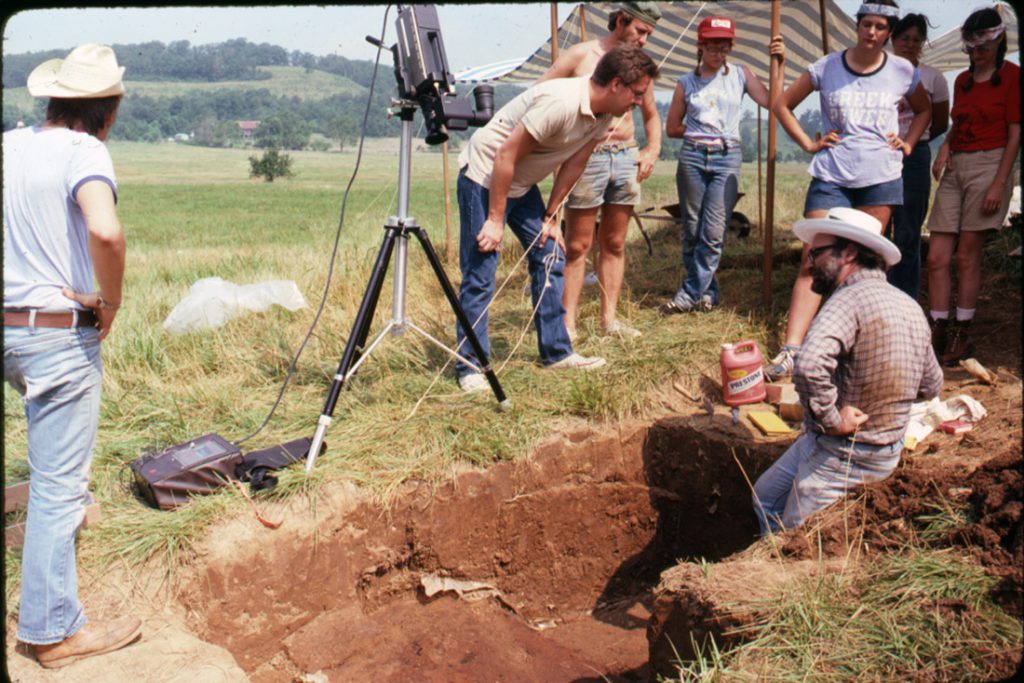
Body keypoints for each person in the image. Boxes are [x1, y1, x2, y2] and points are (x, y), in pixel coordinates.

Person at [4, 44, 142, 667]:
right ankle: (51, 631)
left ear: (54, 98)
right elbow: (106, 230)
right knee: (60, 484)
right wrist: (107, 304)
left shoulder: (9, 144)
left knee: (53, 471)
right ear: (107, 111)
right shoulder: (86, 152)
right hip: (57, 331)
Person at [454, 45, 660, 392]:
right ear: (615, 85)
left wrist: (551, 216)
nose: (640, 102)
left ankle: (556, 352)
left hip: (521, 183)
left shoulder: (606, 114)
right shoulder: (561, 103)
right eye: (637, 94)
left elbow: (574, 162)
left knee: (551, 252)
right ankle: (471, 367)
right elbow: (505, 154)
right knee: (482, 268)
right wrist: (494, 218)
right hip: (486, 177)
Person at [751, 208, 944, 534]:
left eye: (817, 253)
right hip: (879, 450)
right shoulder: (909, 305)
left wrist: (832, 419)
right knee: (765, 497)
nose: (810, 263)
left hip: (844, 453)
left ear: (849, 253)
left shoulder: (845, 301)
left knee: (797, 540)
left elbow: (809, 367)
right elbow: (931, 385)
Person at [766, 0, 931, 380]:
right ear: (857, 26)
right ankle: (792, 349)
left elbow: (924, 110)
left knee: (867, 265)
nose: (872, 33)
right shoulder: (827, 66)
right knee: (816, 257)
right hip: (832, 175)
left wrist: (908, 142)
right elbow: (782, 104)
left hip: (881, 179)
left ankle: (859, 348)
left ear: (888, 32)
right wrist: (809, 143)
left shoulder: (903, 71)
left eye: (880, 27)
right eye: (867, 25)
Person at [537, 1, 662, 340]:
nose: (644, 40)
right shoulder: (581, 54)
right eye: (639, 30)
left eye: (649, 33)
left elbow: (651, 114)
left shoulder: (641, 66)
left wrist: (652, 149)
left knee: (615, 242)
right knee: (577, 245)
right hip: (585, 157)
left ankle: (610, 321)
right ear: (620, 21)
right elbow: (541, 91)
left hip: (625, 156)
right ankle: (567, 323)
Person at [658, 17, 785, 315]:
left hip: (727, 157)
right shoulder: (686, 82)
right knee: (692, 229)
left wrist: (778, 63)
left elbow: (772, 101)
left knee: (713, 231)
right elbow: (672, 128)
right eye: (712, 46)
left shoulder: (741, 74)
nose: (717, 52)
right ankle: (707, 292)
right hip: (692, 157)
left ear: (731, 47)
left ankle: (688, 295)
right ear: (700, 46)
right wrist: (699, 132)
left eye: (724, 46)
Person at [925, 7, 1020, 365]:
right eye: (972, 48)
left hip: (990, 163)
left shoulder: (1013, 77)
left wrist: (999, 183)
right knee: (936, 257)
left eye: (983, 47)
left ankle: (962, 334)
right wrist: (945, 148)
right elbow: (957, 123)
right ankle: (937, 327)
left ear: (998, 43)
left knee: (967, 256)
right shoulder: (962, 81)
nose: (976, 54)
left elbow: (1015, 135)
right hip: (957, 164)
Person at [887, 13, 949, 299]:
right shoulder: (879, 71)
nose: (909, 45)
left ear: (923, 43)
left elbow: (938, 122)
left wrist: (912, 141)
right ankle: (876, 295)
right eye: (904, 39)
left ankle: (905, 298)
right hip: (879, 154)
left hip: (915, 157)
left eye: (916, 40)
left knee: (908, 231)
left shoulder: (933, 77)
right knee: (876, 228)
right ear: (893, 39)